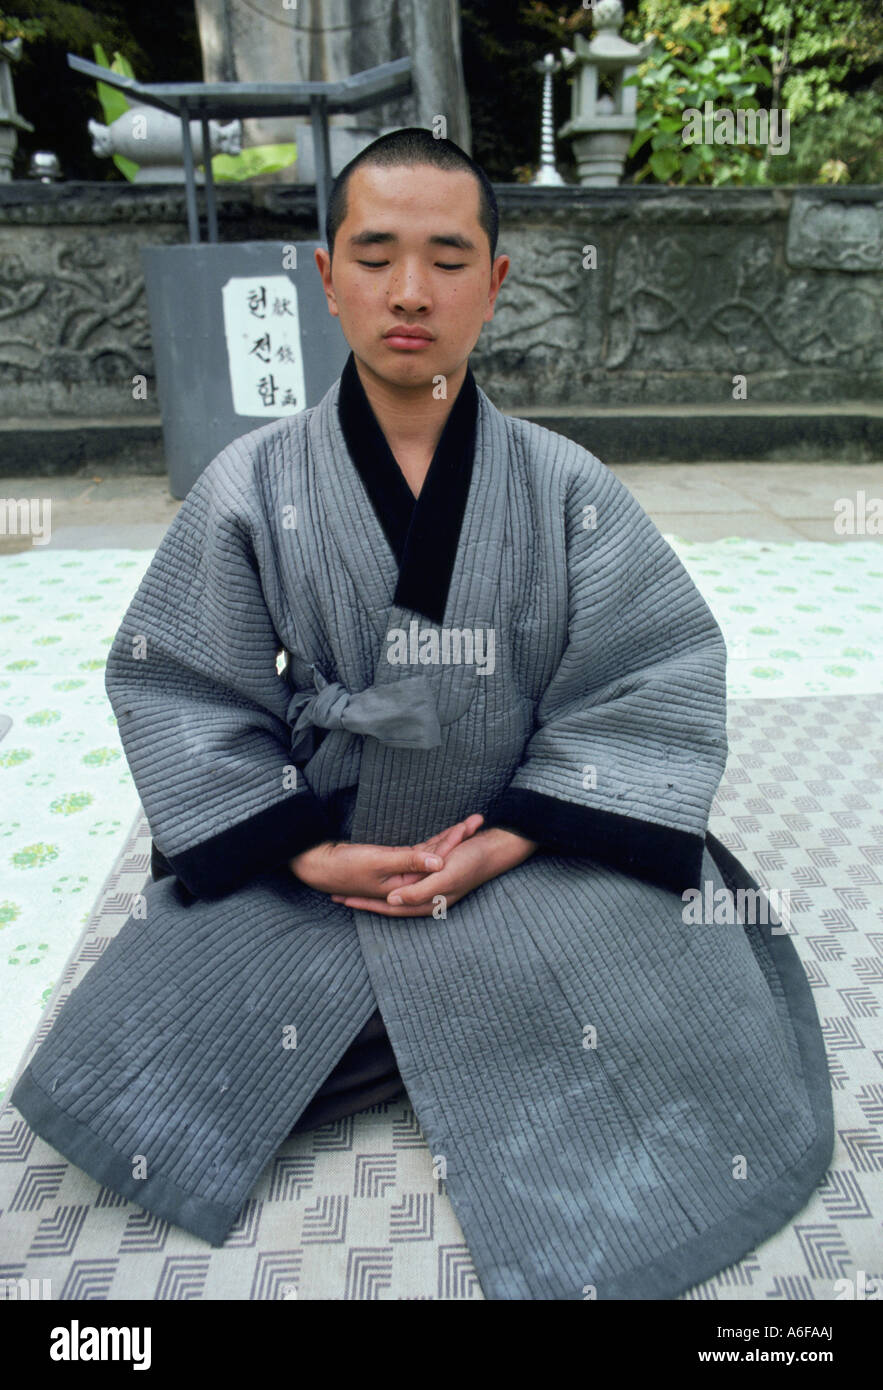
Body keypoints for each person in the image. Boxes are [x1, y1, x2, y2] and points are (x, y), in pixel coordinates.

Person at [10, 128, 833, 1301]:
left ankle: (441, 1006)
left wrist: (508, 833)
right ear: (324, 272)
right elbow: (182, 682)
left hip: (530, 840)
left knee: (682, 989)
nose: (410, 292)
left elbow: (650, 675)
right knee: (125, 1043)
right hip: (333, 834)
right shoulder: (251, 485)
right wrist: (306, 847)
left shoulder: (564, 483)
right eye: (377, 253)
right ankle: (464, 1014)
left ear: (495, 284)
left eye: (448, 258)